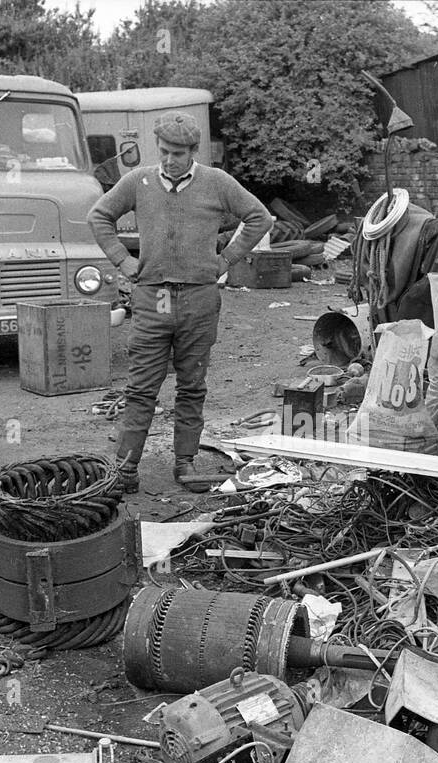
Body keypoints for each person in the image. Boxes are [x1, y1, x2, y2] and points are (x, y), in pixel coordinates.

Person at [88, 110, 273, 493]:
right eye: (164, 152)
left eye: (178, 153)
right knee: (141, 387)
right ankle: (126, 467)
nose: (170, 160)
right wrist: (122, 260)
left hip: (198, 299)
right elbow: (99, 216)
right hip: (154, 298)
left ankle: (185, 463)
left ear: (193, 151)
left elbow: (259, 217)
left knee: (191, 385)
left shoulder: (216, 182)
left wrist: (227, 259)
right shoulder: (138, 181)